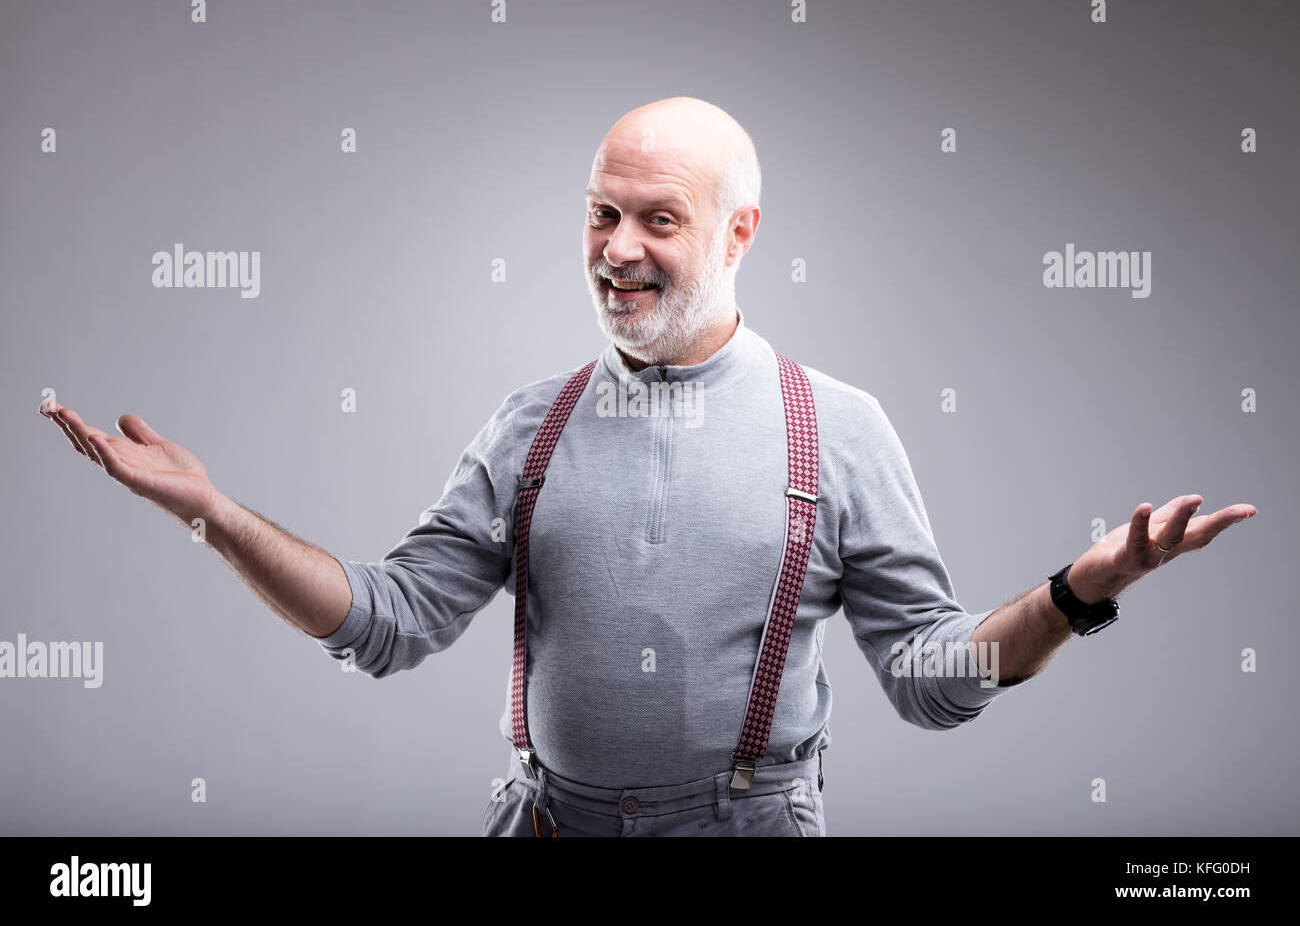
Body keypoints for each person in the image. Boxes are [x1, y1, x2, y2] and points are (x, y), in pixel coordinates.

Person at [40, 96, 1258, 837]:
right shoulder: (529, 425)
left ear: (739, 233)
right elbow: (390, 624)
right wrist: (213, 515)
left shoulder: (835, 428)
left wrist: (1077, 590)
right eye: (597, 213)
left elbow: (932, 680)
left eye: (657, 218)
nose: (616, 249)